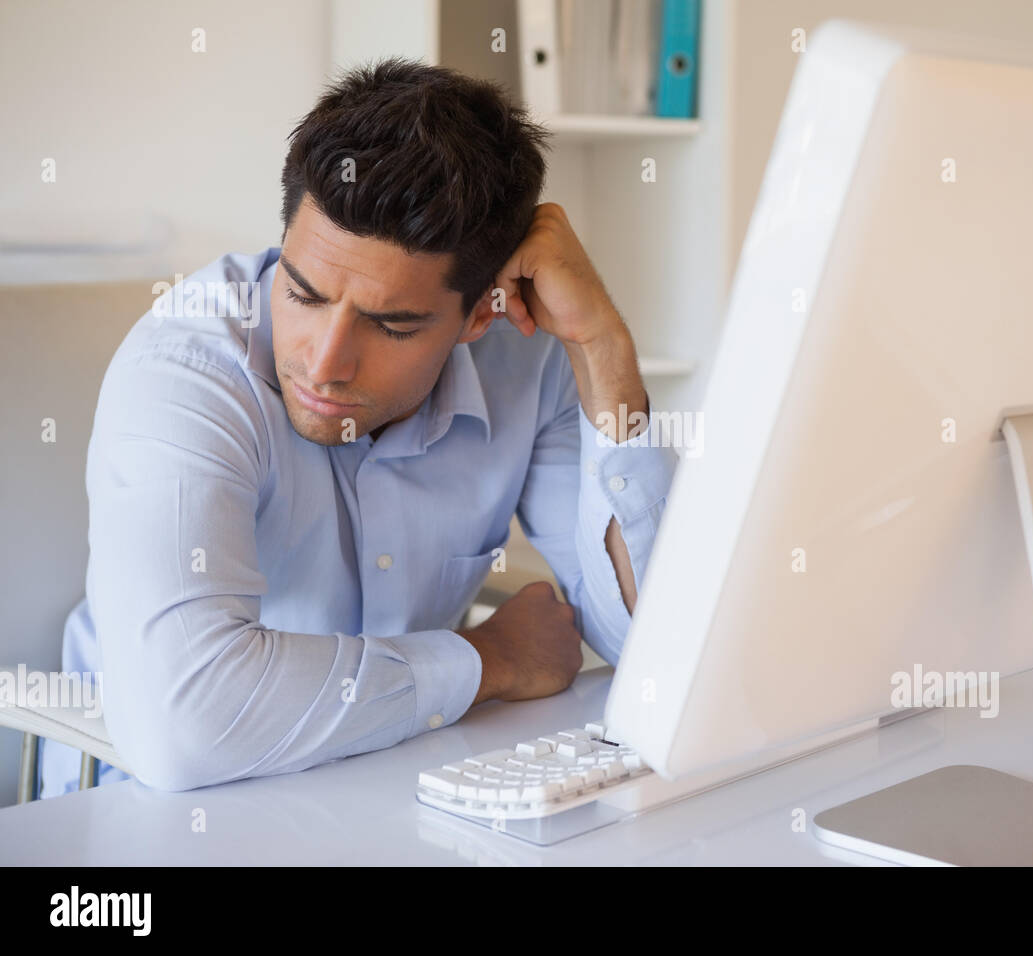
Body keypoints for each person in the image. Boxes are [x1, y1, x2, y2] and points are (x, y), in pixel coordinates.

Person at [38, 58, 678, 796]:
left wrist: (602, 345)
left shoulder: (524, 362)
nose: (325, 363)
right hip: (148, 806)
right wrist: (487, 662)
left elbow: (661, 654)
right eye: (303, 294)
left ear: (479, 315)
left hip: (386, 779)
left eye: (390, 325)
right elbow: (185, 726)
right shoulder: (187, 368)